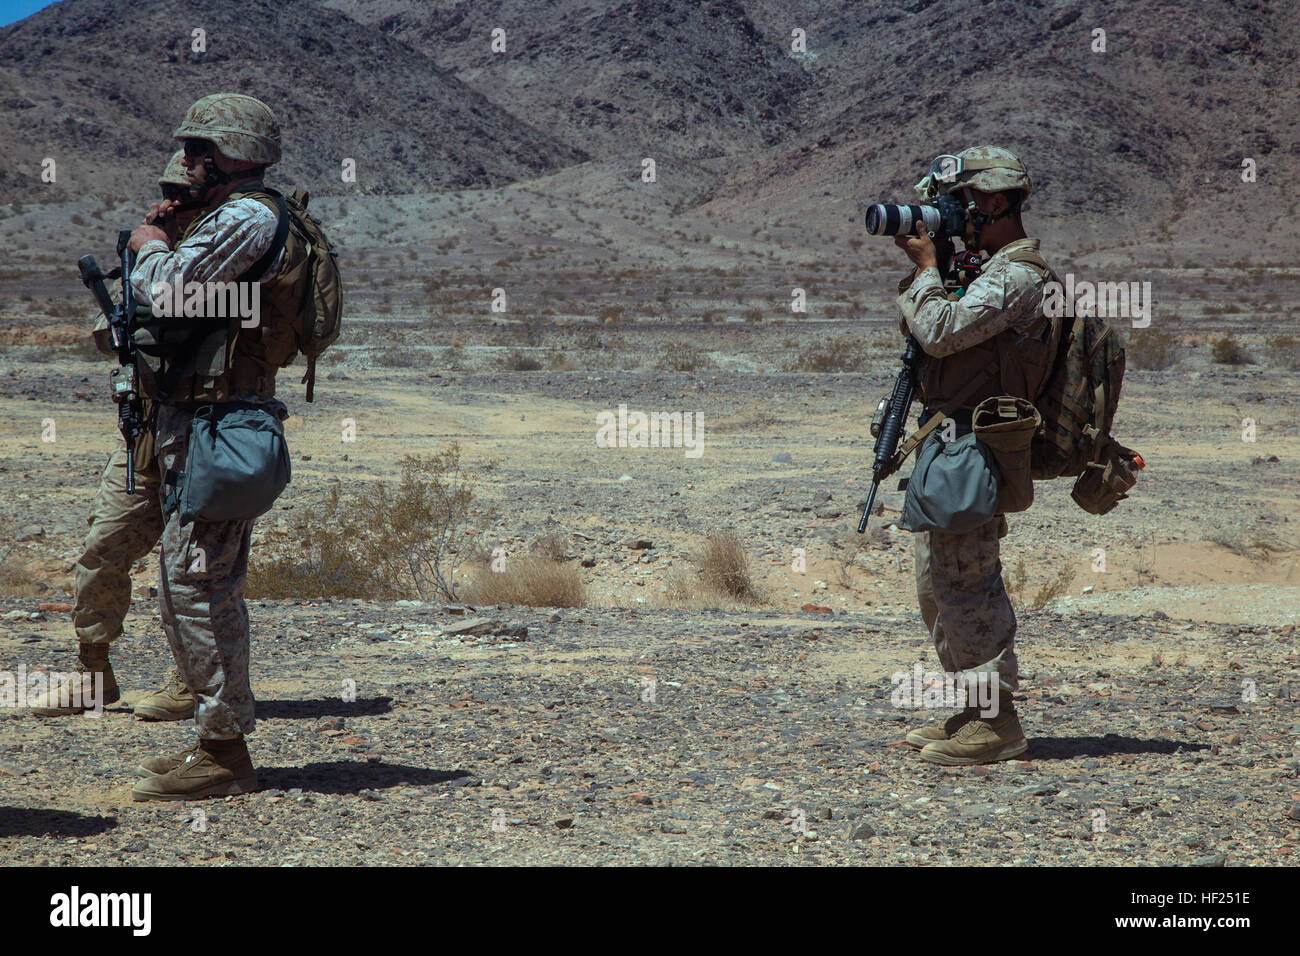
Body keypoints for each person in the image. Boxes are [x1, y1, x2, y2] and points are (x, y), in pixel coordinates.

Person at [124, 93, 298, 800]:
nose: (188, 162)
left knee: (198, 581)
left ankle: (225, 751)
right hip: (206, 425)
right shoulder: (235, 216)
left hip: (222, 427)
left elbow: (168, 297)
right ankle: (214, 740)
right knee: (192, 577)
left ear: (236, 152)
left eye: (201, 150)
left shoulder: (248, 217)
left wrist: (151, 249)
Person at [893, 146, 1059, 765]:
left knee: (968, 581)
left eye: (954, 203)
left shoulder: (1020, 276)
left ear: (991, 201)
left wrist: (926, 270)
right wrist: (933, 272)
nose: (945, 216)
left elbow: (938, 330)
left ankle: (998, 722)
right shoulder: (985, 270)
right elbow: (931, 333)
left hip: (978, 446)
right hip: (951, 440)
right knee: (937, 583)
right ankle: (972, 708)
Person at [29, 151, 202, 721]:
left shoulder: (216, 259)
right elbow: (108, 336)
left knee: (190, 565)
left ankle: (191, 684)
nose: (168, 204)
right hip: (145, 434)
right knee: (103, 547)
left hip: (202, 437)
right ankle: (93, 674)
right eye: (165, 192)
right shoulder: (148, 260)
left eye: (182, 193)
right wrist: (138, 277)